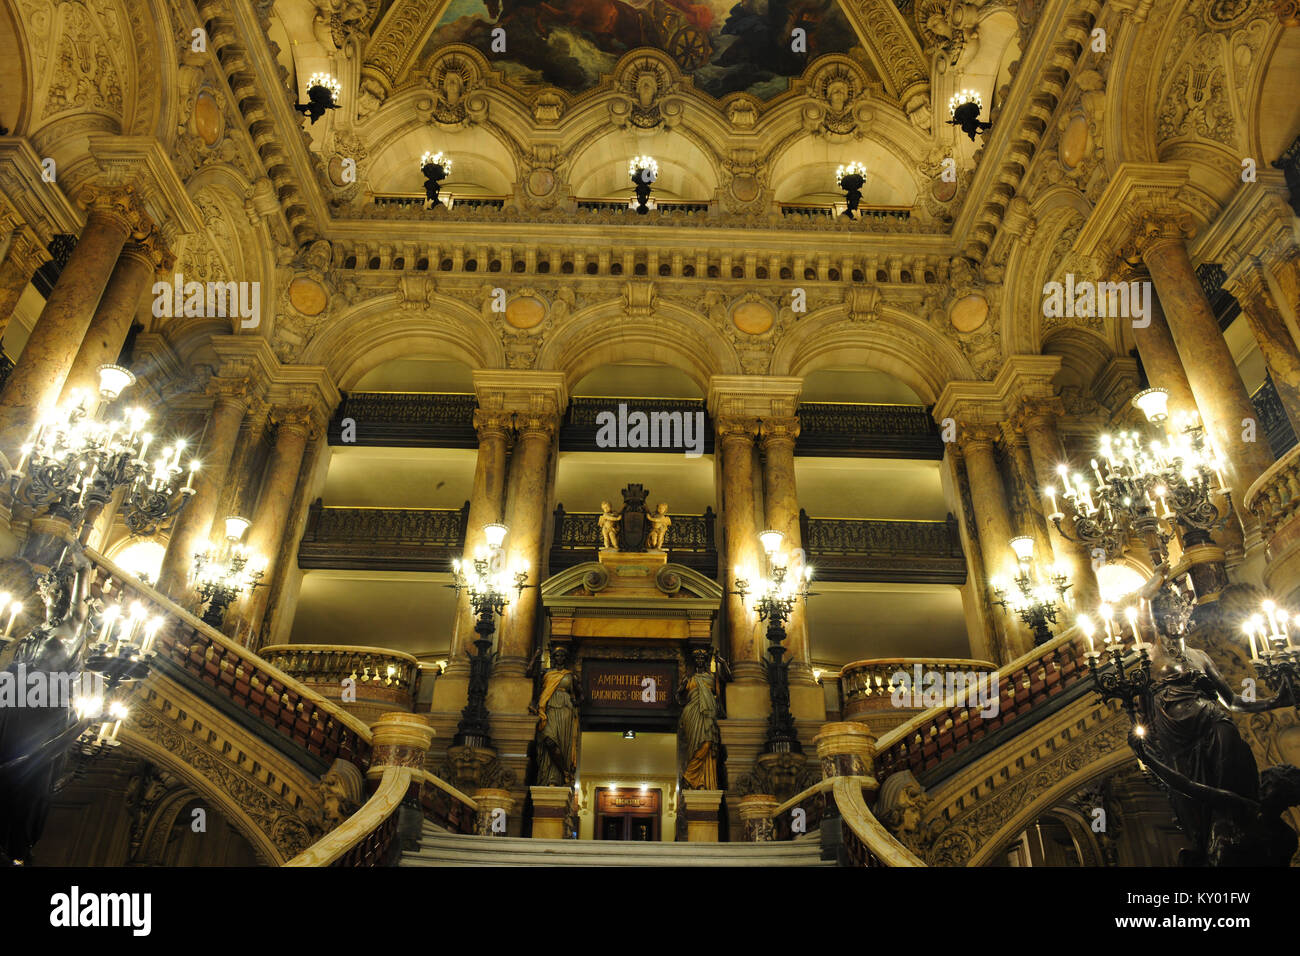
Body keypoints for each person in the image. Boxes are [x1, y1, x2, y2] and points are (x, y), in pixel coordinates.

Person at [529, 645, 580, 787]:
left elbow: (580, 695)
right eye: (557, 655)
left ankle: (556, 778)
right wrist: (536, 656)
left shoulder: (570, 675)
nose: (560, 658)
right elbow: (529, 673)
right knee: (549, 741)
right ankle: (565, 772)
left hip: (565, 711)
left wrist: (576, 701)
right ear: (553, 657)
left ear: (566, 658)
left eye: (563, 655)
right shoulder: (546, 672)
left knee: (561, 744)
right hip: (549, 707)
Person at [677, 648, 724, 790]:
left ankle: (690, 776)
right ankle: (695, 779)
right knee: (694, 744)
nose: (700, 661)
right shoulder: (689, 679)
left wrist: (721, 662)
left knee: (707, 742)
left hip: (708, 714)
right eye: (697, 659)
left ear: (705, 661)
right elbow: (679, 700)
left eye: (702, 659)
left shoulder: (712, 677)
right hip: (692, 713)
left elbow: (727, 678)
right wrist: (681, 689)